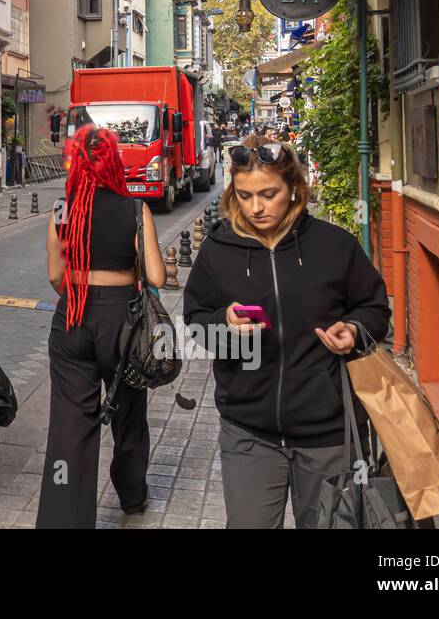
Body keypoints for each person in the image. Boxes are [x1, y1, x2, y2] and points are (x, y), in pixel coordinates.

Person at [182, 135, 390, 528]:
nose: (256, 207)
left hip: (329, 435)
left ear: (295, 188)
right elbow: (195, 322)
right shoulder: (218, 250)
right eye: (244, 196)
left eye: (268, 193)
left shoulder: (335, 246)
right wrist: (222, 325)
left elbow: (375, 309)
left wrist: (354, 330)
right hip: (248, 434)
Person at [36, 124, 166, 528]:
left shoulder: (62, 210)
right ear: (114, 161)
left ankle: (64, 518)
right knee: (128, 411)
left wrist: (77, 291)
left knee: (70, 423)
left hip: (73, 318)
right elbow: (159, 277)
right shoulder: (134, 209)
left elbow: (56, 275)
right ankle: (132, 495)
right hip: (123, 323)